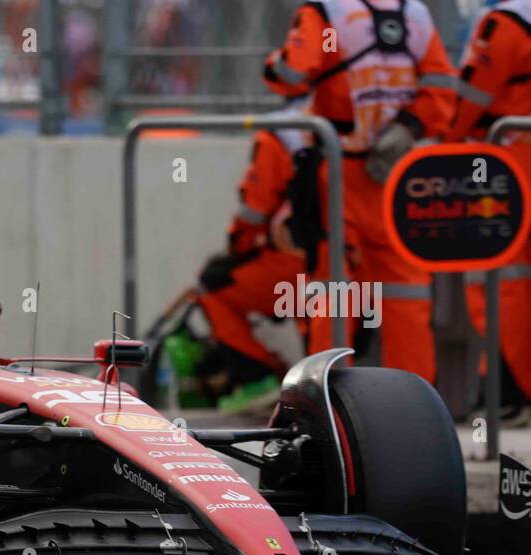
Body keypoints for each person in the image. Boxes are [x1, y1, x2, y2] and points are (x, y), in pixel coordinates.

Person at [263, 0, 458, 382]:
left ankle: (329, 401)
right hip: (397, 171)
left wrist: (273, 62)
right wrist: (406, 128)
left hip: (338, 169)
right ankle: (415, 406)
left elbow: (291, 76)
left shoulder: (324, 12)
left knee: (333, 290)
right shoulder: (415, 14)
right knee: (407, 294)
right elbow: (442, 87)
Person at [448, 0, 531, 417]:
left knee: (498, 279)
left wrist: (443, 143)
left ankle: (510, 389)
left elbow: (469, 98)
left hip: (508, 166)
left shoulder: (505, 24)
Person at [194, 112, 315, 379]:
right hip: (355, 270)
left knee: (212, 286)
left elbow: (254, 211)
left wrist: (238, 249)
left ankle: (259, 376)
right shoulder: (364, 123)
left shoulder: (281, 135)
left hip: (296, 267)